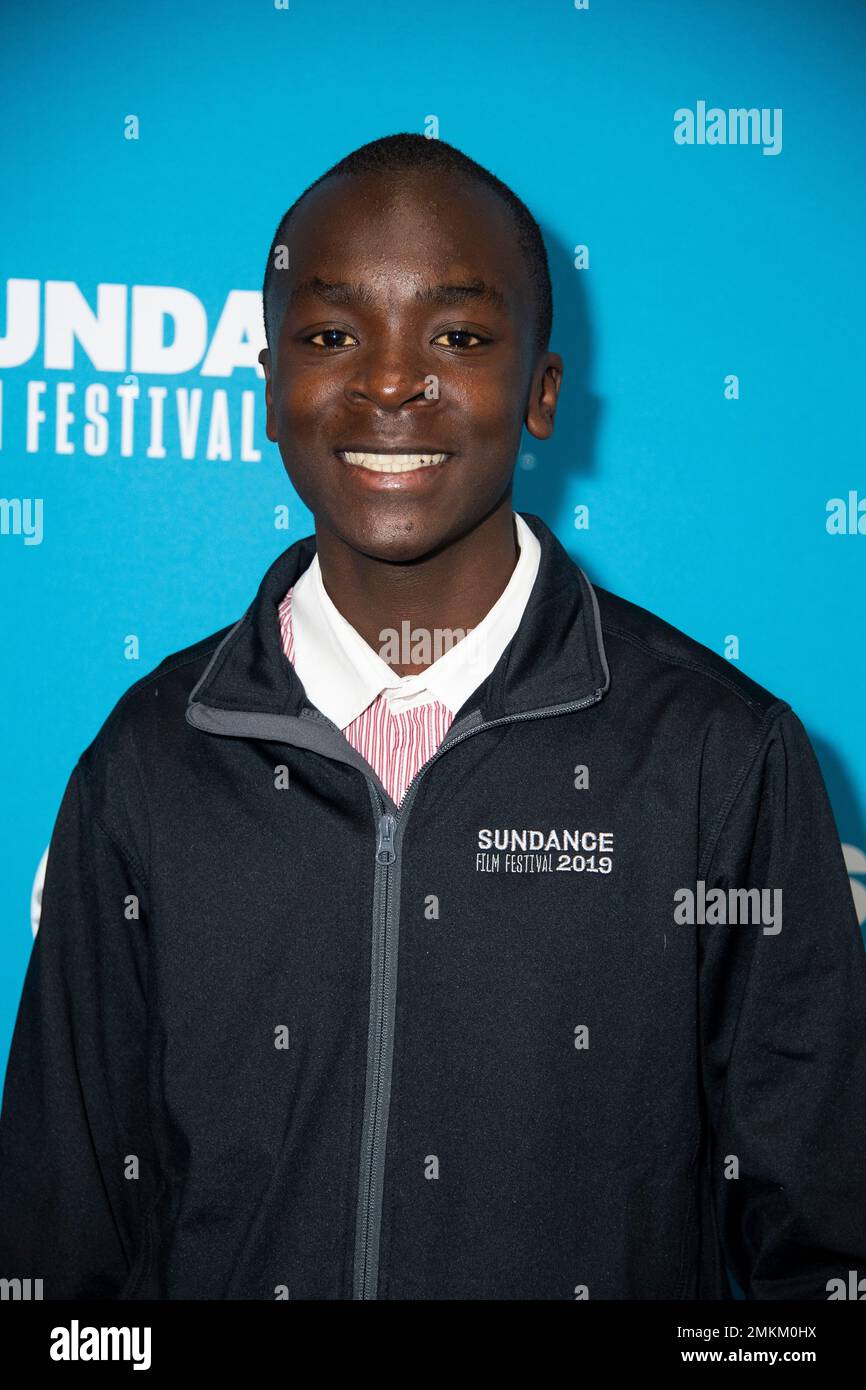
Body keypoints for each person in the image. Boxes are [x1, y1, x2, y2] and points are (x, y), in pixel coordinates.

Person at [1, 133, 864, 1301]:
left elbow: (817, 1247)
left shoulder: (721, 757)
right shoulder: (151, 760)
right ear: (265, 385)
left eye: (456, 337)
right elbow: (62, 1243)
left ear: (542, 392)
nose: (390, 380)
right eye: (328, 335)